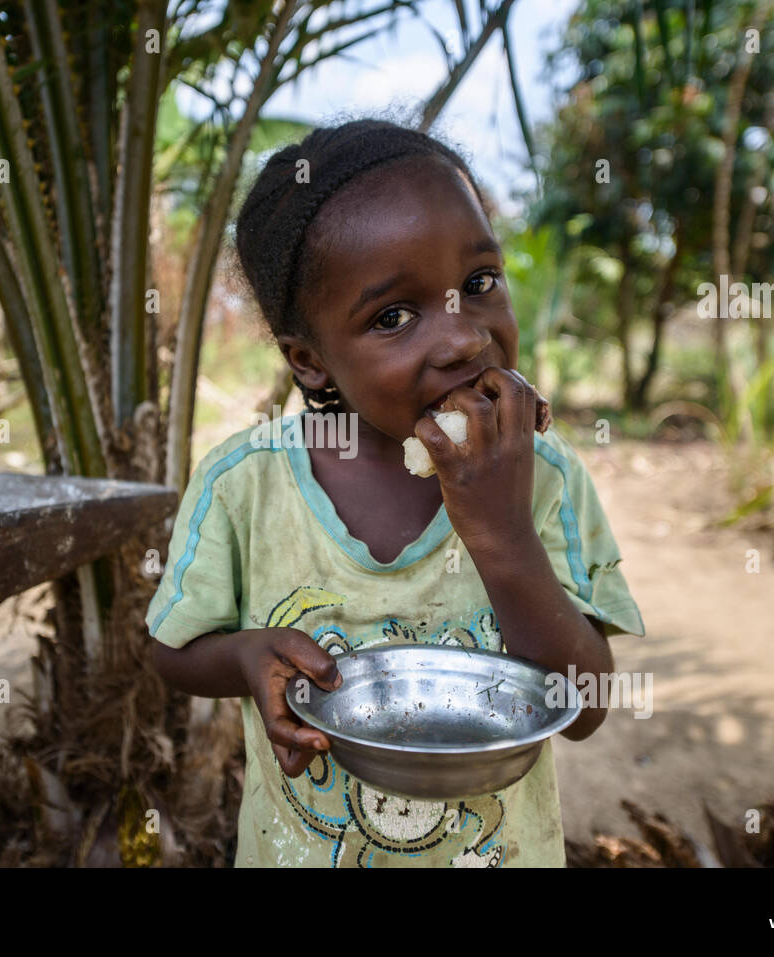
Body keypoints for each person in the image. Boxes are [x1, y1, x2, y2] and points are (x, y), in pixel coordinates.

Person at [147, 118, 645, 867]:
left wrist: (504, 534)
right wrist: (248, 657)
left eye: (478, 284)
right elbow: (170, 650)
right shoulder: (243, 484)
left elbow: (585, 706)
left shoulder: (545, 476)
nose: (463, 338)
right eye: (393, 317)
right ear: (310, 361)